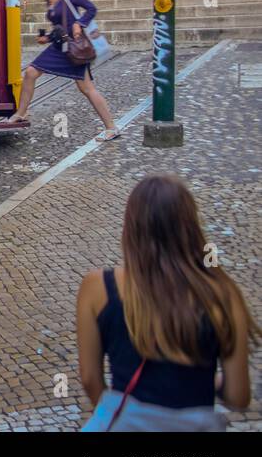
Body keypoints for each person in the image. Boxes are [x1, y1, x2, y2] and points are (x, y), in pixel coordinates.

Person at [76, 175, 259, 431]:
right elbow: (238, 397)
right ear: (190, 226)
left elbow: (89, 377)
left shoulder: (97, 287)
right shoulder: (222, 294)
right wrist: (210, 382)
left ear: (131, 226)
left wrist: (119, 418)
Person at [11, 0, 119, 142]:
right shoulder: (49, 0)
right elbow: (59, 27)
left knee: (87, 88)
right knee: (30, 72)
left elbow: (91, 9)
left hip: (76, 48)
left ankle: (111, 128)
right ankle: (21, 113)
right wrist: (46, 38)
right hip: (60, 47)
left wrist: (79, 23)